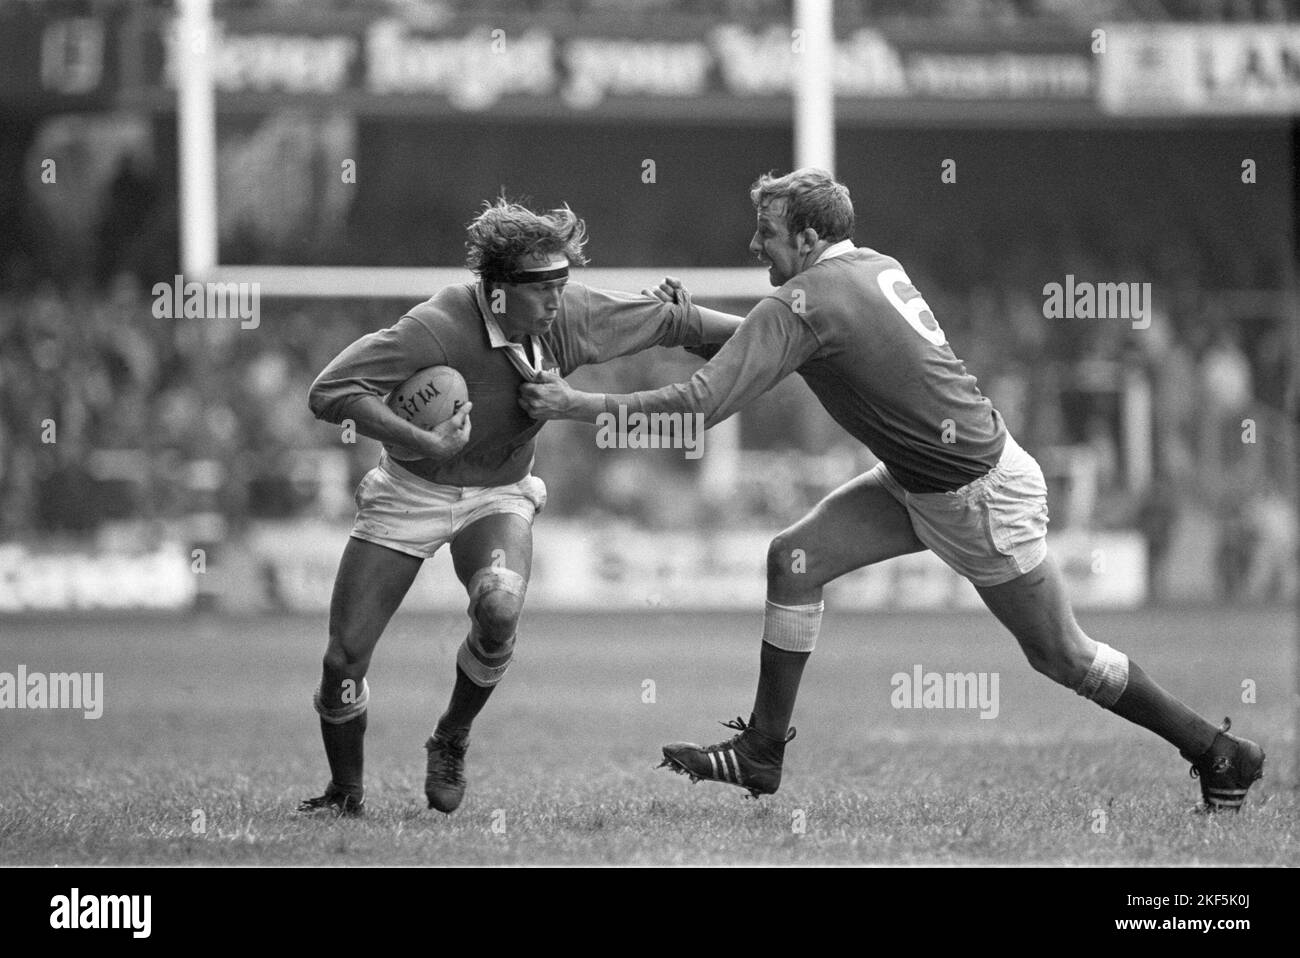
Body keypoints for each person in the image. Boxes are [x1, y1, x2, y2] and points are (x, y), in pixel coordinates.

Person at [519, 169, 1265, 812]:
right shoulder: (866, 269)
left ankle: (1217, 751)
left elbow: (701, 404)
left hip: (978, 496)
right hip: (928, 480)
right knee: (795, 560)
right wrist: (680, 321)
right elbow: (779, 342)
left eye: (767, 232)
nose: (755, 246)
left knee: (1064, 658)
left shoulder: (806, 301)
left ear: (808, 239)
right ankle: (762, 752)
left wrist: (575, 405)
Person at [301, 198, 742, 816]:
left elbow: (680, 324)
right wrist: (423, 440)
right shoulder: (434, 328)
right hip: (409, 492)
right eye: (542, 288)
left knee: (500, 606)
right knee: (344, 657)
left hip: (499, 493)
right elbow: (330, 391)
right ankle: (344, 793)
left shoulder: (569, 311)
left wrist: (779, 335)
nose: (558, 299)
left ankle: (451, 736)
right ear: (497, 291)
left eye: (563, 282)